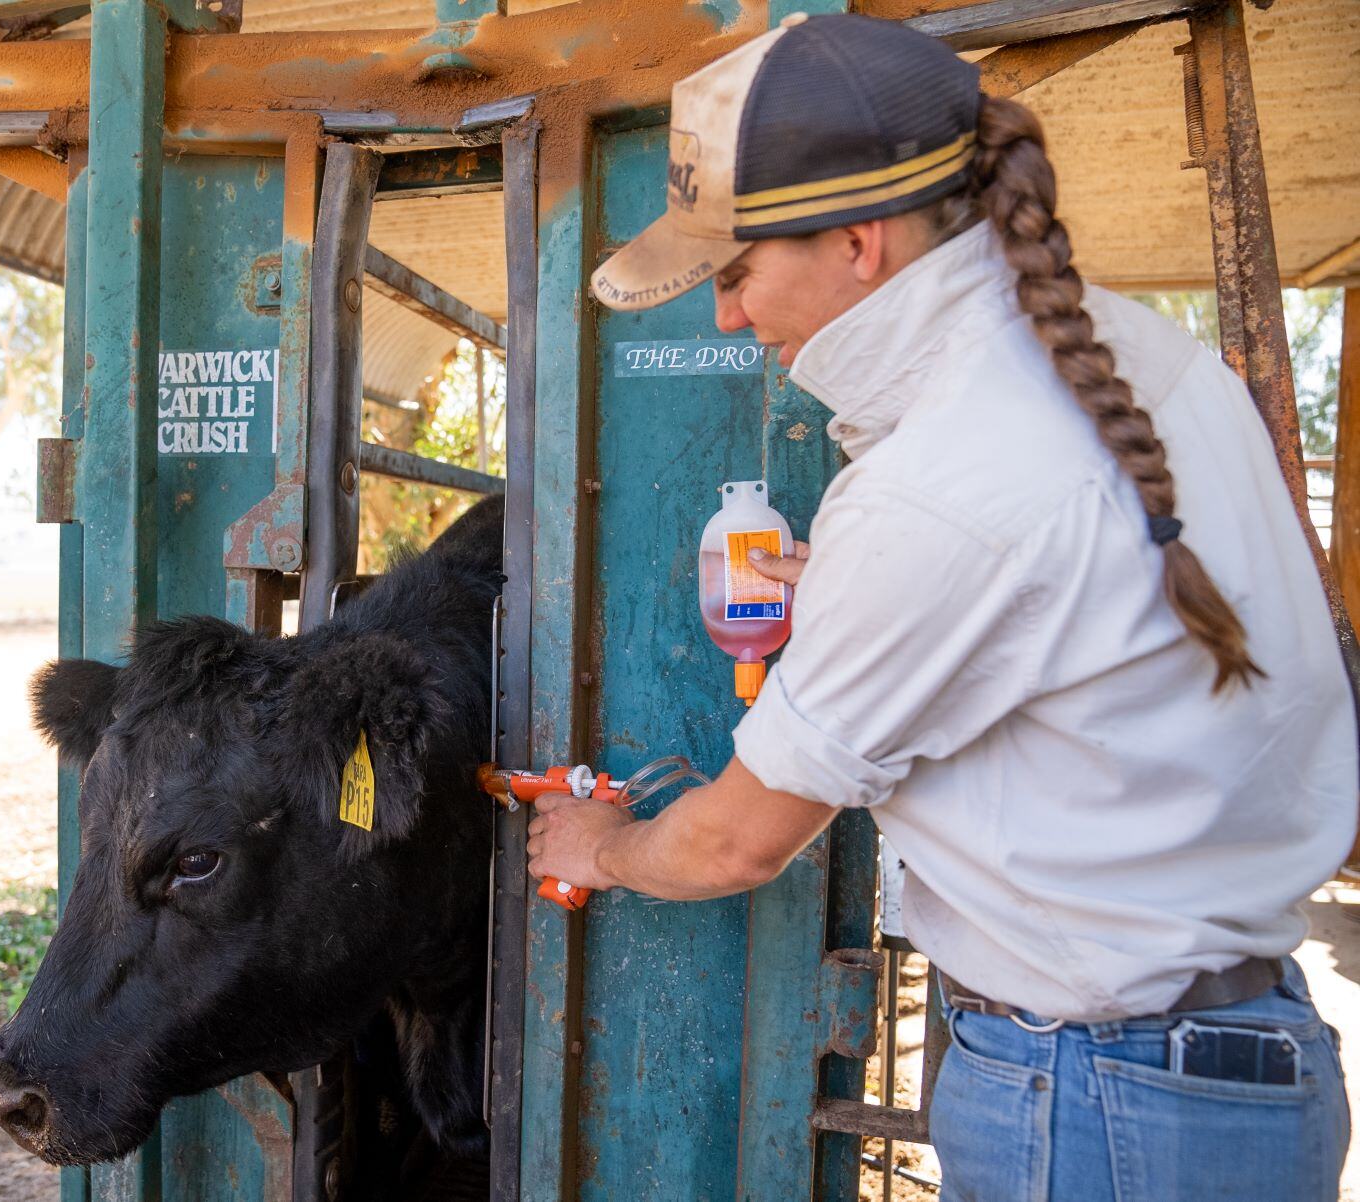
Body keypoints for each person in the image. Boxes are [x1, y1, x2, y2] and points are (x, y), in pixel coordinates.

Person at [527, 12, 1356, 1199]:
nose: (725, 315)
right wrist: (872, 595)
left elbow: (734, 838)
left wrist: (598, 844)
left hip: (1101, 1102)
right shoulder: (1138, 360)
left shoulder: (940, 488)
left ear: (860, 242)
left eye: (736, 269)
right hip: (1233, 1060)